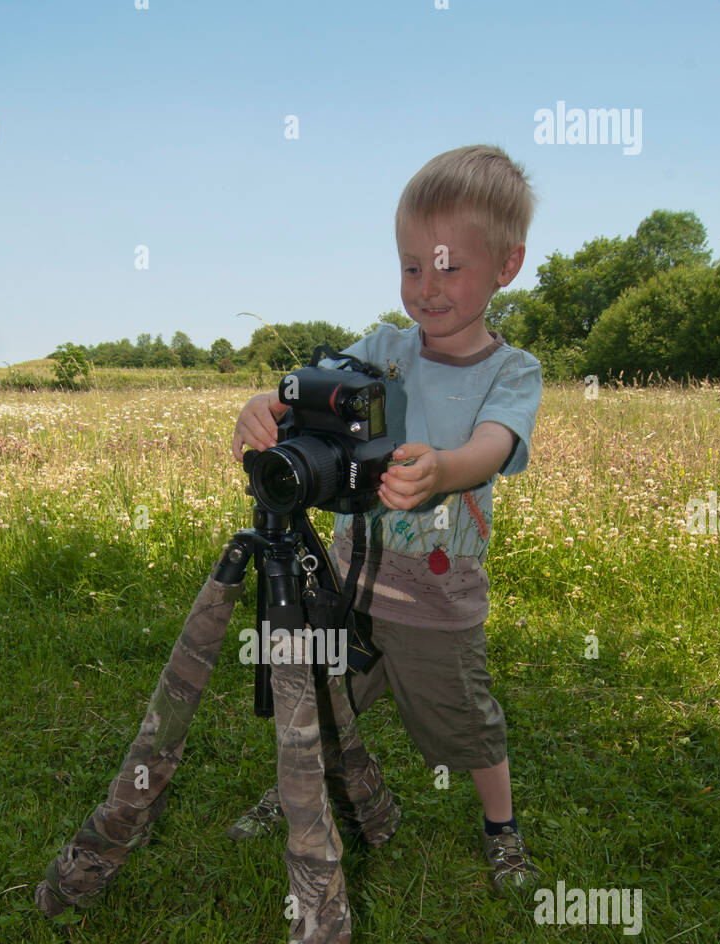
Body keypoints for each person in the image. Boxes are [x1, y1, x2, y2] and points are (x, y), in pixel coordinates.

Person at [228, 144, 543, 896]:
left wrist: (444, 467)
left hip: (437, 598)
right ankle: (300, 791)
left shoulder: (512, 370)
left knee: (462, 721)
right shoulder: (384, 348)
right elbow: (312, 389)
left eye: (447, 266)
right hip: (347, 579)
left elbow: (492, 447)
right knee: (319, 694)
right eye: (410, 267)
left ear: (506, 265)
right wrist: (265, 407)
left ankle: (499, 829)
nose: (425, 288)